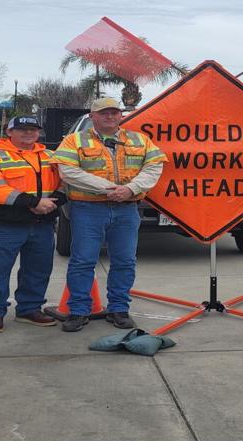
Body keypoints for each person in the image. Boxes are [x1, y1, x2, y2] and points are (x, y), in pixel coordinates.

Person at [52, 96, 165, 332]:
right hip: (87, 209)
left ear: (121, 116)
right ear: (92, 116)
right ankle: (79, 311)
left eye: (114, 112)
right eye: (104, 113)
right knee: (83, 261)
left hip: (127, 209)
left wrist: (131, 189)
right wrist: (108, 189)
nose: (110, 116)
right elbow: (68, 172)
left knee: (125, 261)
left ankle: (119, 310)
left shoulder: (140, 139)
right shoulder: (74, 140)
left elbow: (155, 166)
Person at [0, 115, 66, 333]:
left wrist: (52, 203)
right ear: (9, 132)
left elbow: (65, 183)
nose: (28, 133)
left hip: (42, 223)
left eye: (33, 129)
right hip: (6, 224)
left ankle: (29, 309)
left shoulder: (51, 156)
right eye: (22, 129)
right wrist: (33, 203)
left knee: (38, 269)